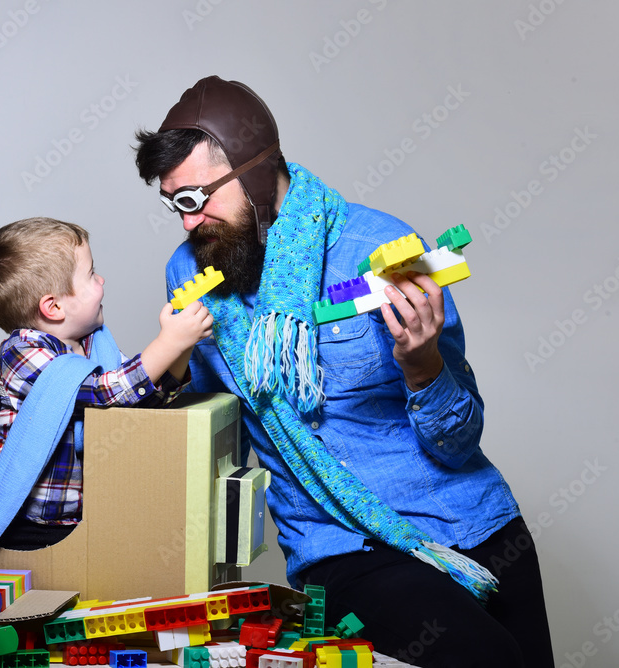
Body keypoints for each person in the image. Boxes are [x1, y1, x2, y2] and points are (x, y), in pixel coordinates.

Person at [133, 76, 554, 668]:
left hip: (470, 519)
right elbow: (204, 431)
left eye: (196, 197)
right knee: (486, 658)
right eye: (174, 203)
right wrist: (166, 366)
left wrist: (422, 363)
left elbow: (460, 445)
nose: (187, 221)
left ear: (255, 171)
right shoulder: (188, 272)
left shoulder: (380, 246)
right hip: (341, 544)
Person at [0, 216, 214, 550]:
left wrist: (182, 349)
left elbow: (137, 402)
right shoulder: (22, 354)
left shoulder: (93, 344)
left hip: (81, 518)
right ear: (53, 306)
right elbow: (105, 392)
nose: (101, 280)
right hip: (23, 522)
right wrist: (166, 344)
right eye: (90, 274)